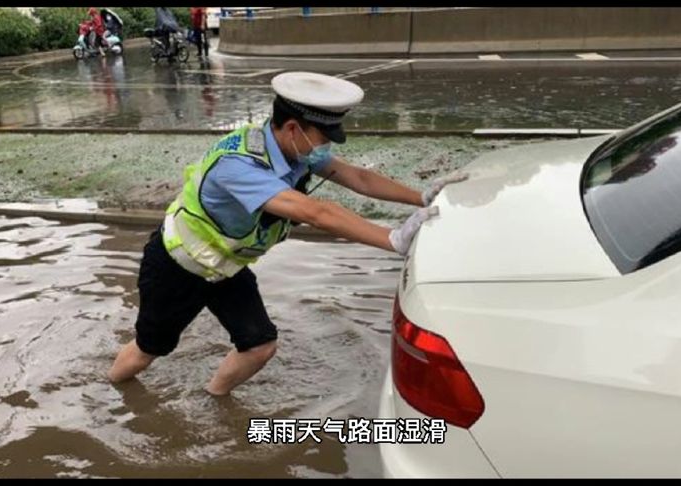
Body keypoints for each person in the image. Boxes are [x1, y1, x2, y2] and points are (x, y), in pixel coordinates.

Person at [107, 72, 468, 395]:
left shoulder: (294, 149)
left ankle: (212, 399)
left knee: (259, 346)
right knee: (148, 351)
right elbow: (316, 212)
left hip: (224, 268)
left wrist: (421, 196)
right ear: (294, 128)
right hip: (176, 268)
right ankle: (112, 390)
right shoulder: (239, 165)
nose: (325, 148)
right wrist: (392, 239)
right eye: (323, 138)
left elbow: (358, 177)